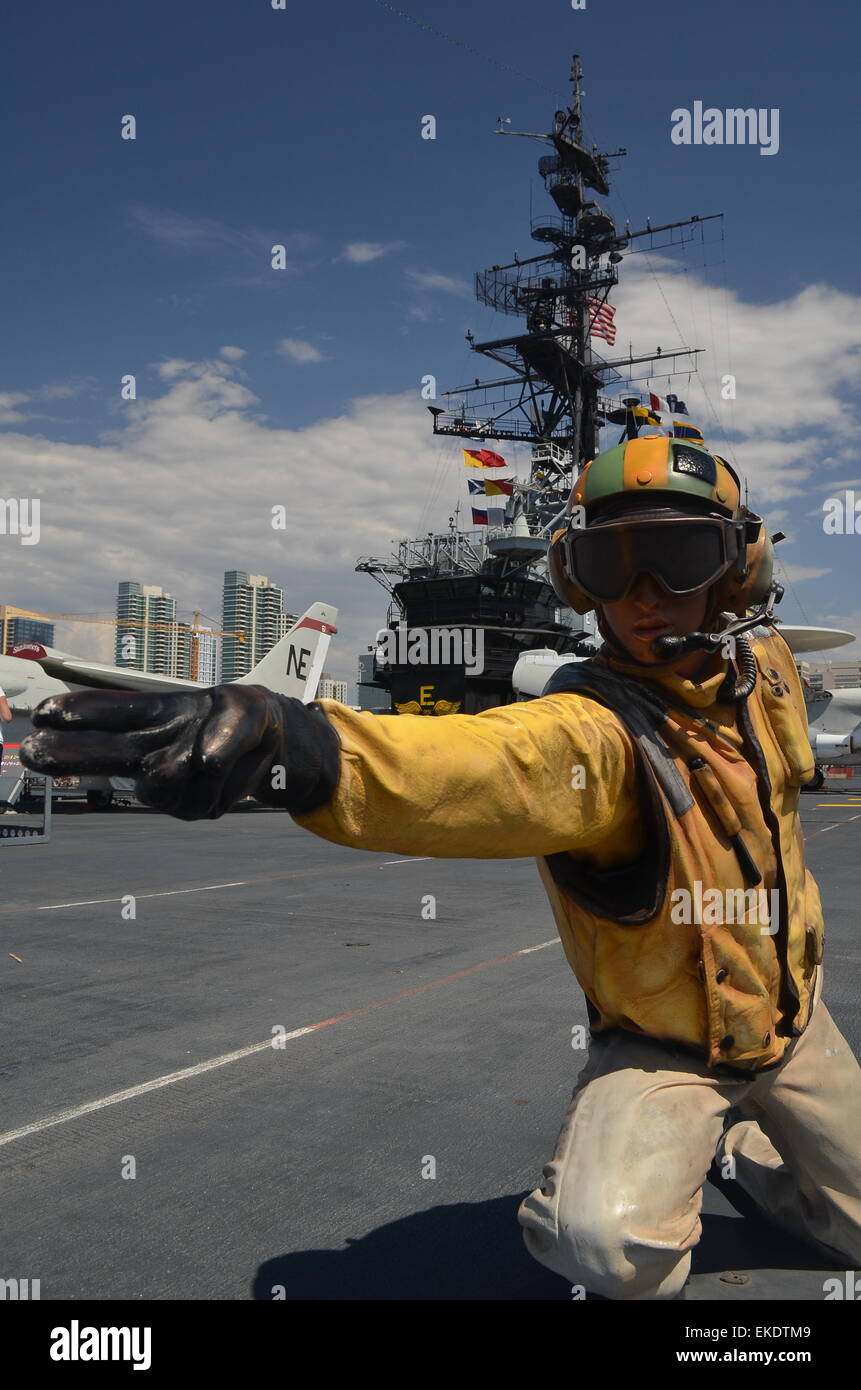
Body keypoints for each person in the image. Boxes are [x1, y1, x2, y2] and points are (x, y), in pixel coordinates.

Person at [20, 436, 861, 1300]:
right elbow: (465, 763)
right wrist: (297, 741)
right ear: (576, 582)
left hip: (795, 1026)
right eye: (609, 565)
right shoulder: (592, 736)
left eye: (679, 559)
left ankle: (751, 1154)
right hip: (666, 1048)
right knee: (607, 1248)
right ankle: (709, 1138)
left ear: (738, 571)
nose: (641, 598)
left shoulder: (767, 674)